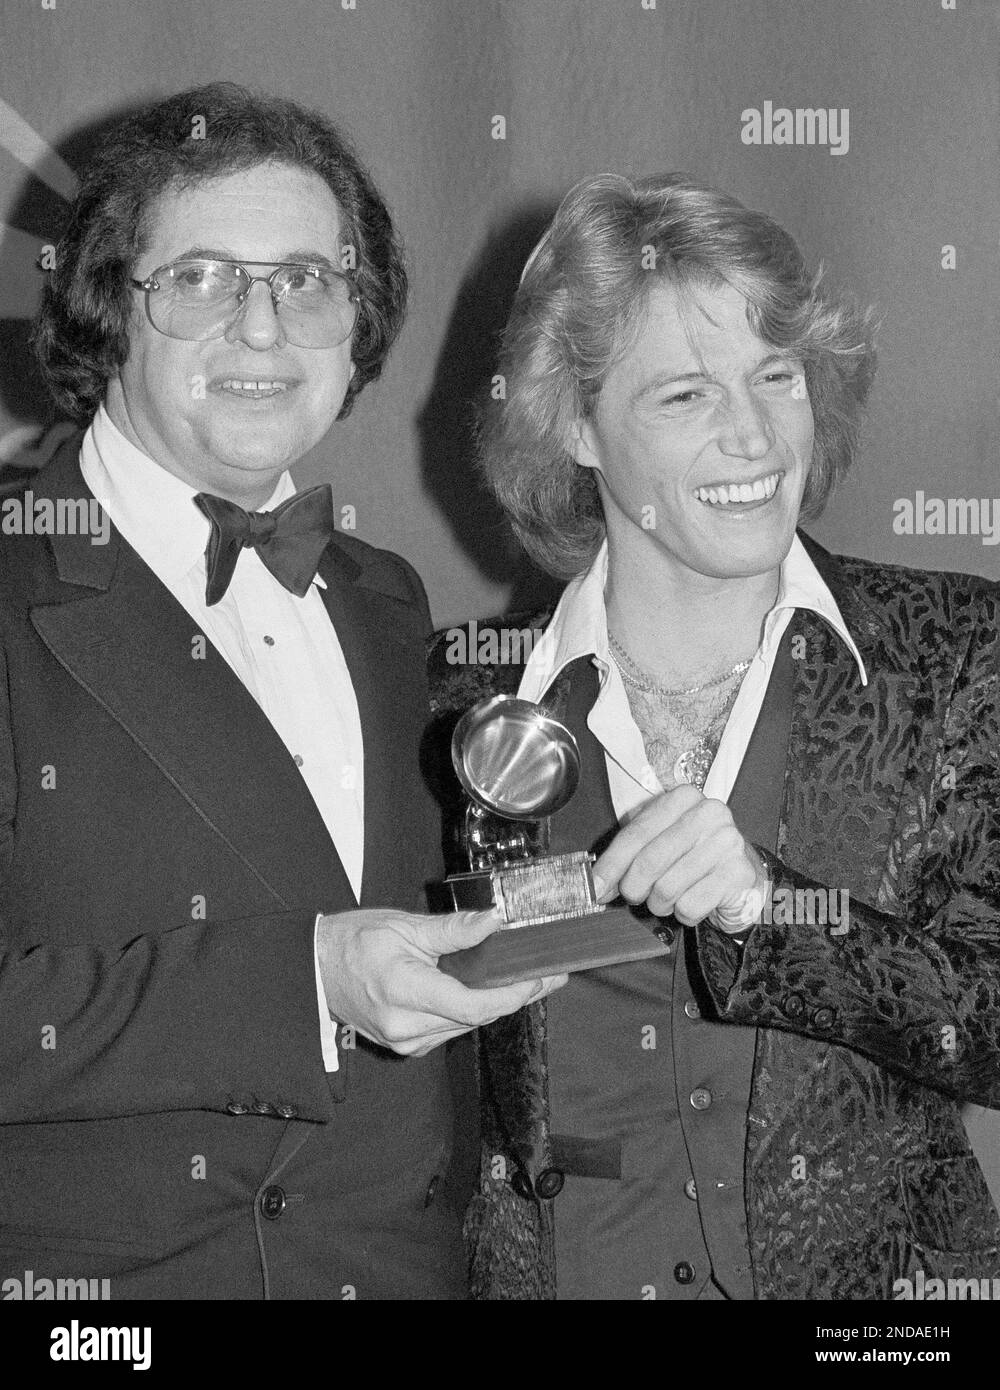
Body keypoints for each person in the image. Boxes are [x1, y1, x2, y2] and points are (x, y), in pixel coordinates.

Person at [0, 82, 562, 1300]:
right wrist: (302, 981)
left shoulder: (383, 596)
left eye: (307, 280)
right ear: (106, 308)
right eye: (202, 278)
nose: (262, 329)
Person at [428, 171, 1000, 1299]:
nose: (754, 435)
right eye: (686, 394)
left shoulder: (954, 652)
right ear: (575, 426)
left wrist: (773, 911)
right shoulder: (460, 696)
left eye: (776, 376)